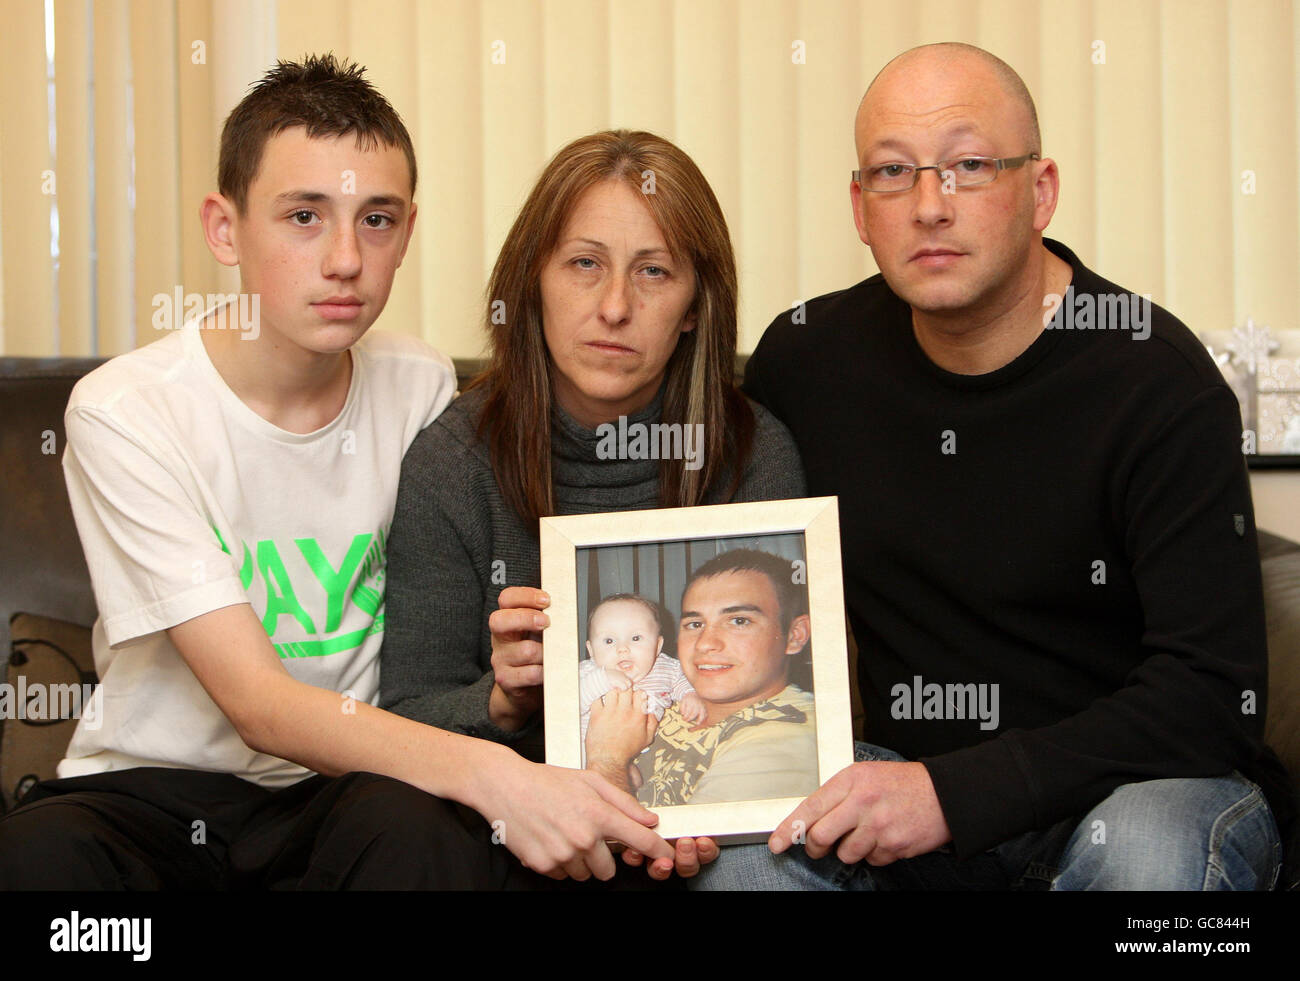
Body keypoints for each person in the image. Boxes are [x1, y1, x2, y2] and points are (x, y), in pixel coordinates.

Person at [0, 56, 680, 889]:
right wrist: (501, 777)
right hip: (153, 794)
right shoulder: (126, 411)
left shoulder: (422, 385)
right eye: (304, 217)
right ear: (224, 228)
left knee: (421, 836)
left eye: (378, 219)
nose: (346, 259)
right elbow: (259, 705)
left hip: (348, 792)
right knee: (41, 860)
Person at [732, 42, 1288, 890]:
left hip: (1137, 783)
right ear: (858, 205)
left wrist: (955, 794)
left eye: (969, 165)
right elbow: (726, 560)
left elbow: (1214, 698)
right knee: (747, 860)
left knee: (1150, 857)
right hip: (898, 776)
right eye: (892, 172)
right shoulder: (806, 361)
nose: (929, 205)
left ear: (1041, 190)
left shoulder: (1157, 382)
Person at [378, 129, 806, 881]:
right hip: (510, 828)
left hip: (706, 825)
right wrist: (504, 701)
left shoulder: (752, 450)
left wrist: (705, 801)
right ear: (532, 281)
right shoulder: (453, 460)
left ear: (693, 308)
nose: (615, 306)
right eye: (584, 264)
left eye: (654, 271)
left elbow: (779, 695)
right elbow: (406, 718)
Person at [585, 548, 819, 808]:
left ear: (795, 635)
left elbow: (643, 843)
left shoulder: (783, 741)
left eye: (739, 621)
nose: (706, 643)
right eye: (695, 624)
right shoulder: (673, 692)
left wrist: (608, 761)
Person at [578, 592, 705, 762]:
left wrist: (690, 695)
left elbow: (681, 680)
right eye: (609, 641)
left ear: (658, 646)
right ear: (591, 650)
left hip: (639, 757)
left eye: (636, 638)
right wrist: (601, 680)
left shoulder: (666, 667)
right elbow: (569, 706)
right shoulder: (587, 672)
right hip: (587, 755)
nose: (622, 648)